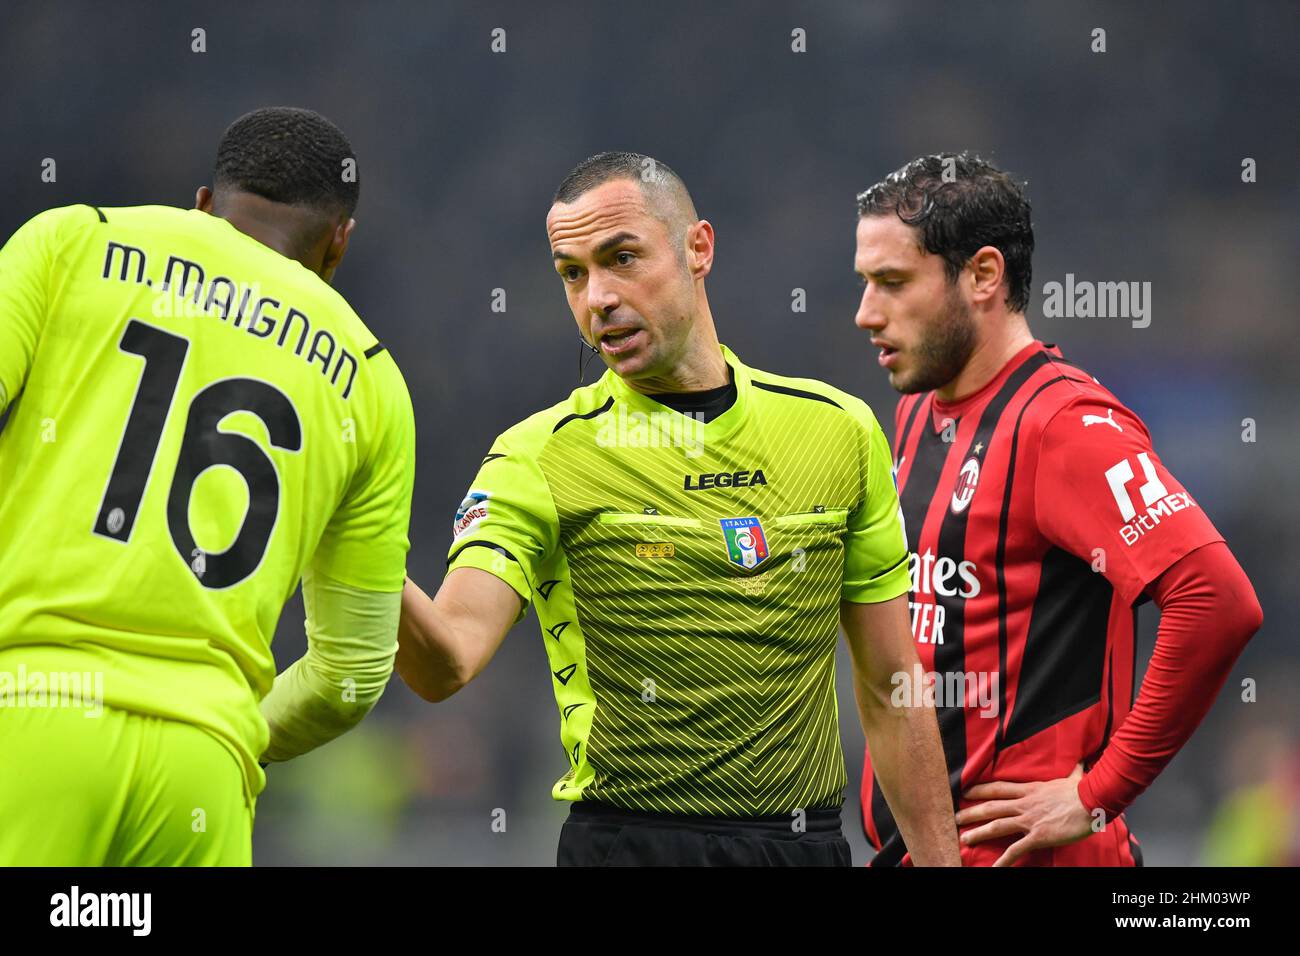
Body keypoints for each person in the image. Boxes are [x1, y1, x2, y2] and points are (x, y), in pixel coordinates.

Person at [398, 151, 959, 866]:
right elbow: (443, 663)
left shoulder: (838, 432)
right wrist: (359, 535)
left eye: (621, 258)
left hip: (802, 847)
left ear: (698, 248)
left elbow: (890, 687)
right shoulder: (537, 456)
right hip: (628, 847)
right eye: (573, 273)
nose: (597, 297)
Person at [0, 107, 415, 865]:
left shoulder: (71, 241)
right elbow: (350, 677)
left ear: (203, 203)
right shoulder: (372, 378)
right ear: (338, 244)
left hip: (29, 719)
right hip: (200, 777)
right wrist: (227, 729)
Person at [851, 151, 1263, 866]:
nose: (865, 313)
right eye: (864, 283)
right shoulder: (920, 410)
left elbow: (1218, 600)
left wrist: (1098, 792)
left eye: (892, 283)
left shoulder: (1065, 426)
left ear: (983, 276)